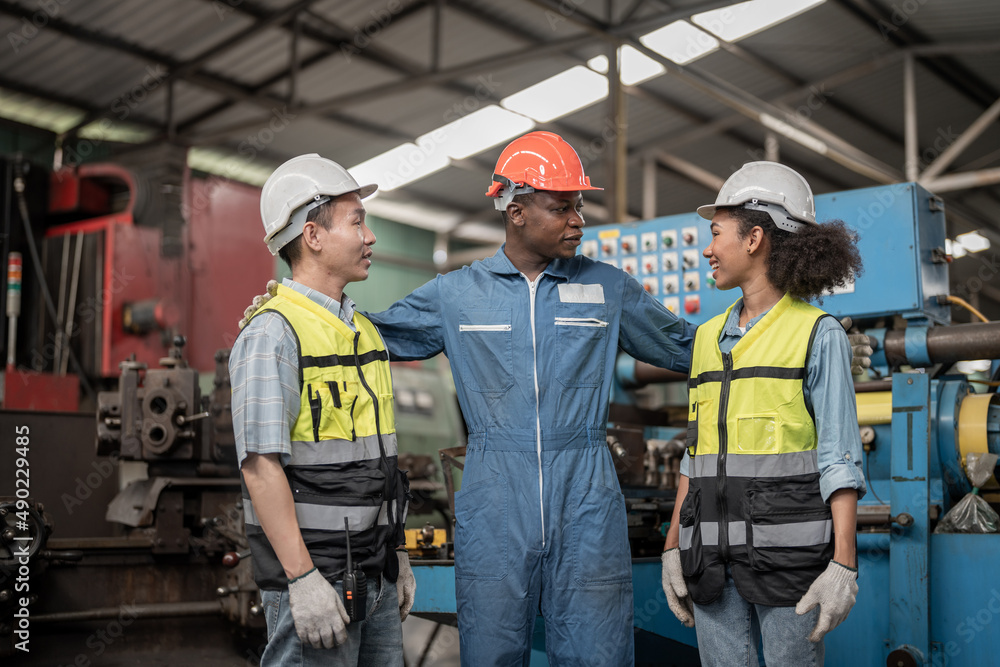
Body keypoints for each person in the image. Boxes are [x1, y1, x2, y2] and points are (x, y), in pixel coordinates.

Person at [239, 138, 872, 666]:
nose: (578, 220)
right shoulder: (456, 296)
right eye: (562, 206)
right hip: (493, 495)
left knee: (597, 650)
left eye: (579, 206)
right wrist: (285, 310)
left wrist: (818, 338)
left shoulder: (608, 289)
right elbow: (367, 333)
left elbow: (703, 349)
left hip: (586, 496)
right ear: (515, 210)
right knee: (491, 650)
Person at [660, 161, 867, 666]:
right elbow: (696, 453)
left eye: (715, 233)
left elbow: (839, 455)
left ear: (754, 238)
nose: (707, 249)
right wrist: (672, 545)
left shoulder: (818, 334)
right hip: (709, 560)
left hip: (790, 564)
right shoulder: (707, 338)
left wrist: (844, 563)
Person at [230, 154, 415, 667]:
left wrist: (396, 555)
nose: (370, 236)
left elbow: (381, 463)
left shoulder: (363, 331)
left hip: (371, 572)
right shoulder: (272, 334)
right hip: (316, 581)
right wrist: (302, 579)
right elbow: (260, 468)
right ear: (312, 235)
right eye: (357, 221)